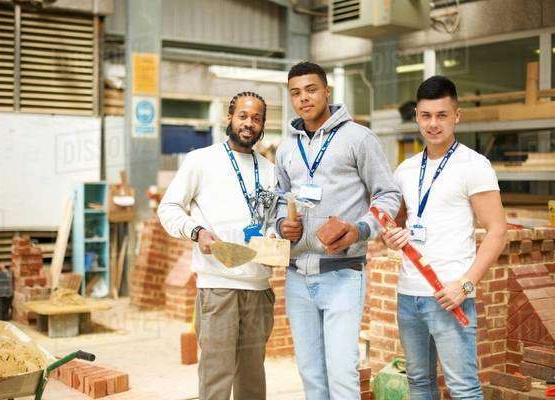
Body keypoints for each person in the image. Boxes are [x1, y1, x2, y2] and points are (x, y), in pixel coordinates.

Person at [275, 61, 401, 399]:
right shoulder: (286, 147)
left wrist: (361, 229)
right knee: (311, 375)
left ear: (327, 91)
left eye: (311, 89)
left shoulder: (359, 138)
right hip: (297, 277)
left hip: (343, 274)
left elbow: (389, 195)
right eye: (296, 93)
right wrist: (279, 223)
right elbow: (277, 199)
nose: (304, 98)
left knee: (342, 376)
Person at [382, 75, 507, 399]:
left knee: (463, 389)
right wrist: (391, 236)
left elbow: (497, 231)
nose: (433, 124)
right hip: (409, 296)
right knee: (419, 384)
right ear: (417, 117)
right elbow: (394, 227)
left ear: (457, 116)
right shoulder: (406, 170)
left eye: (441, 115)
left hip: (450, 295)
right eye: (426, 116)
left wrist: (465, 285)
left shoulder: (473, 165)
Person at [158, 91, 277, 400]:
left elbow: (273, 223)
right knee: (216, 378)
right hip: (218, 287)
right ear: (229, 118)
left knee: (253, 383)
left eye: (256, 118)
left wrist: (278, 234)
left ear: (263, 124)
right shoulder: (201, 160)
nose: (248, 123)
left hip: (259, 288)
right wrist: (197, 232)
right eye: (242, 116)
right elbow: (168, 208)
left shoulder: (270, 171)